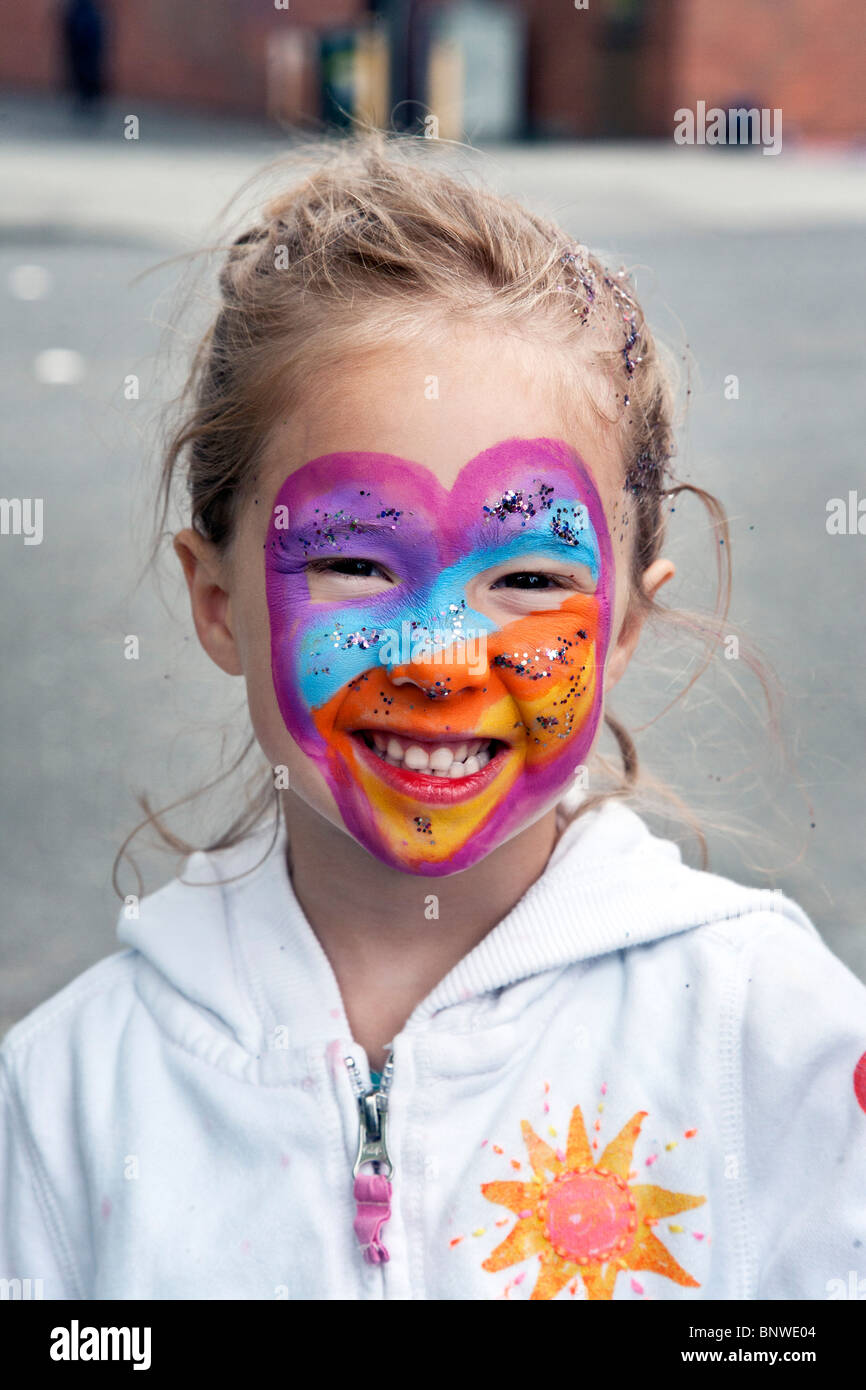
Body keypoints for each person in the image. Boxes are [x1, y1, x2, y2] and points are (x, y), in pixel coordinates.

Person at [2, 135, 864, 1301]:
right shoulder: (64, 1100)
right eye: (355, 560)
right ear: (216, 602)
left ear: (618, 628)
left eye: (526, 580)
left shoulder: (776, 1045)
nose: (442, 665)